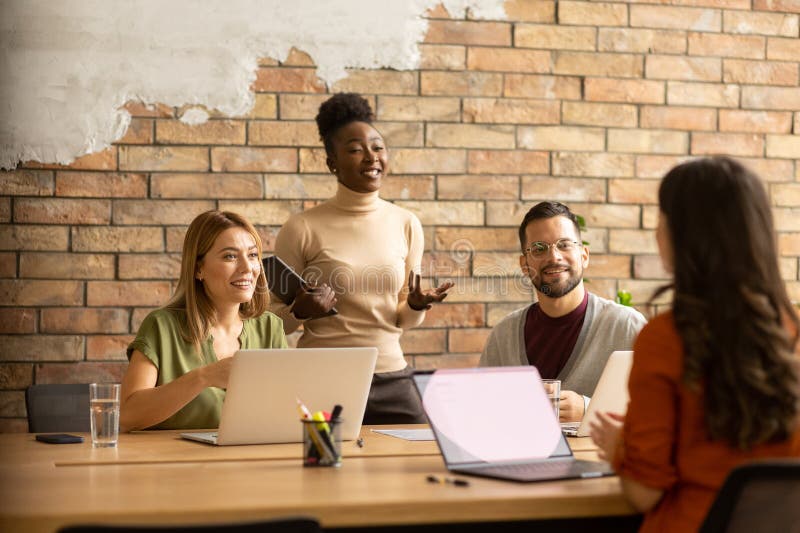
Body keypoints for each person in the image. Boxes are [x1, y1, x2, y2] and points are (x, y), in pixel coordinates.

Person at [590, 157, 800, 532]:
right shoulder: (793, 335)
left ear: (686, 236)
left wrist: (620, 447)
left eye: (662, 217)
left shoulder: (666, 339)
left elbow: (644, 494)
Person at [269, 92, 452, 425]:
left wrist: (415, 306)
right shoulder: (301, 228)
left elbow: (402, 321)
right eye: (355, 150)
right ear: (331, 162)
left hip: (391, 376)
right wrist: (299, 311)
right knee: (322, 474)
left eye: (378, 147)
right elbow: (269, 322)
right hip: (322, 379)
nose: (371, 157)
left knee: (409, 468)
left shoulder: (406, 223)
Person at [479, 201, 646, 422]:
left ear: (584, 255)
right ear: (524, 264)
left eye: (564, 244)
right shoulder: (504, 336)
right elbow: (481, 412)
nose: (554, 257)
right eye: (539, 248)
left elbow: (664, 411)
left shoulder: (627, 326)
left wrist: (589, 409)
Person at [120, 210, 287, 431]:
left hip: (249, 461)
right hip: (170, 462)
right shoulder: (161, 326)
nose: (248, 268)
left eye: (253, 255)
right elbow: (127, 416)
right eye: (230, 256)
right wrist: (205, 377)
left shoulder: (270, 327)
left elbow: (287, 410)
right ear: (199, 268)